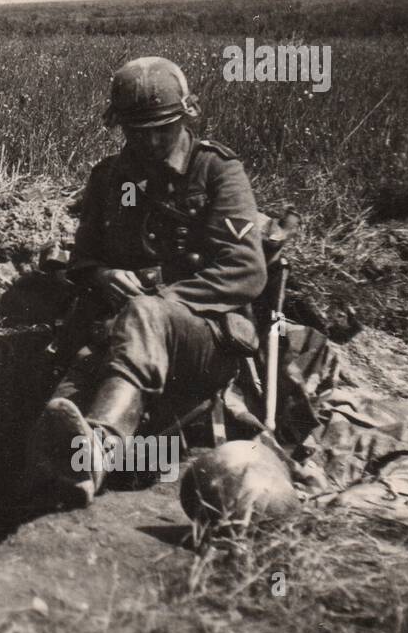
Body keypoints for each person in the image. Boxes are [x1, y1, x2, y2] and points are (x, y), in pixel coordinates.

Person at [19, 57, 268, 507]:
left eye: (162, 129)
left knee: (145, 315)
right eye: (137, 131)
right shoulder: (109, 179)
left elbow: (245, 270)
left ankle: (99, 446)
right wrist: (102, 274)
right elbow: (83, 257)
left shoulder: (216, 171)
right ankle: (64, 478)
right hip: (122, 336)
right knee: (61, 409)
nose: (150, 141)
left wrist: (156, 299)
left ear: (185, 117)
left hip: (202, 341)